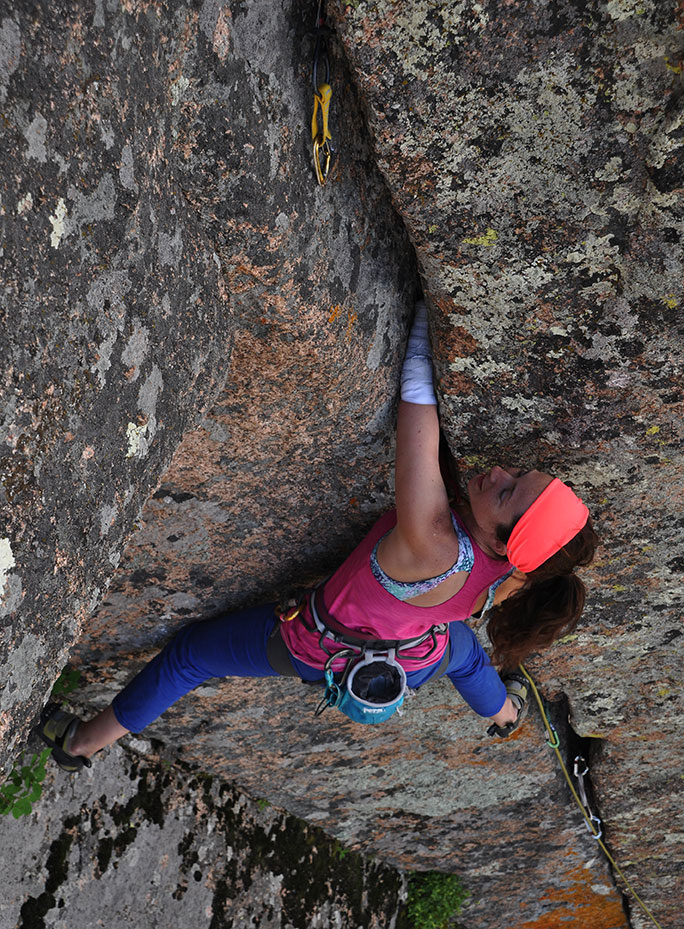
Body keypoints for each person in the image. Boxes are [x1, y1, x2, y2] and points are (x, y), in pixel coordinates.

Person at [37, 300, 597, 771]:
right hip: (424, 649)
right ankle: (502, 714)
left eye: (505, 493)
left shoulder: (434, 543)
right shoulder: (522, 567)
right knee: (464, 655)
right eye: (519, 474)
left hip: (325, 646)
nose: (499, 473)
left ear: (504, 543)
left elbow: (417, 404)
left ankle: (81, 742)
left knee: (190, 658)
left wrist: (433, 304)